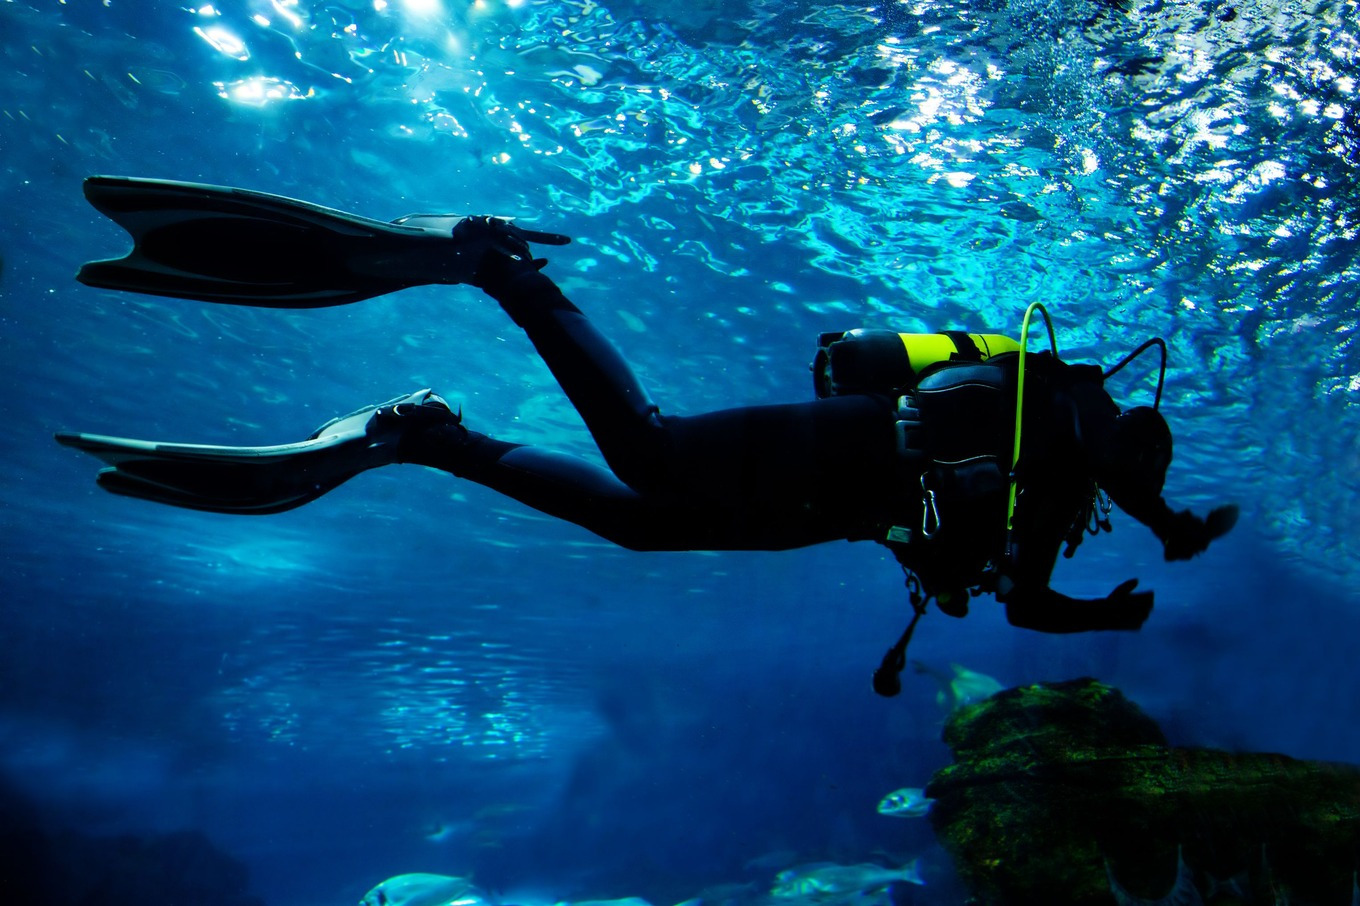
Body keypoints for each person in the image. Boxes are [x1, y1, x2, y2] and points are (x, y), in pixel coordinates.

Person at [57, 177, 1237, 691]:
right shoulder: (1066, 406)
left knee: (637, 524)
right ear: (1132, 438)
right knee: (651, 452)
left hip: (833, 513)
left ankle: (431, 437)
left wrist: (1107, 611)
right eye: (1143, 463)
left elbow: (1029, 606)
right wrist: (1172, 525)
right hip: (846, 446)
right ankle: (497, 272)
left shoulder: (1048, 517)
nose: (1134, 483)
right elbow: (1116, 458)